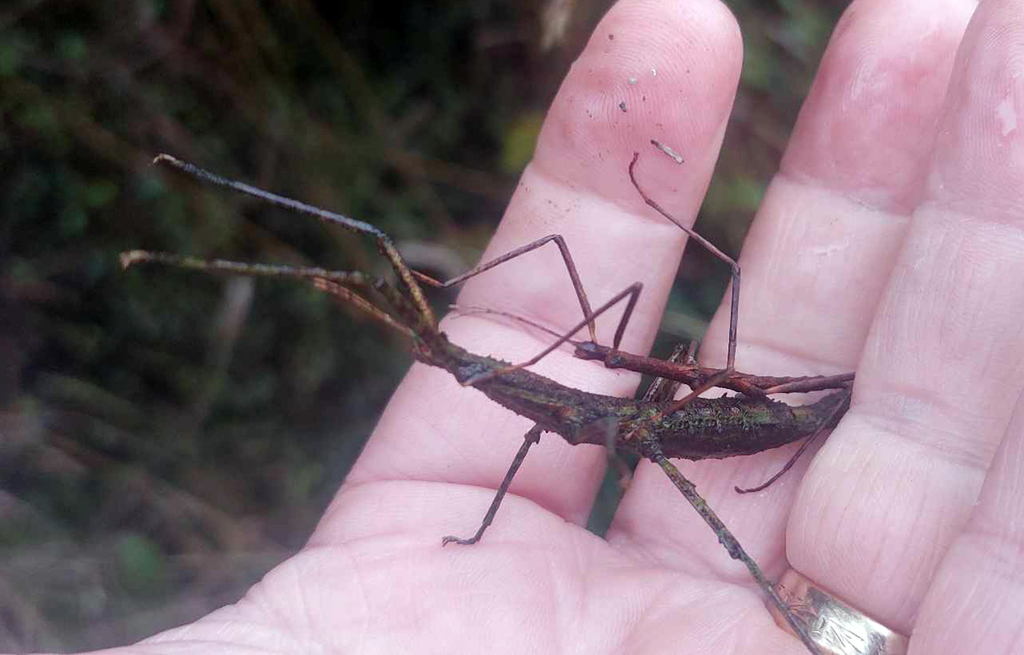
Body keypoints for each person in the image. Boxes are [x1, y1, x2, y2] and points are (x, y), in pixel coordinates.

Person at [67, 0, 1024, 653]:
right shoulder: (538, 402)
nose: (450, 362)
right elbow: (520, 405)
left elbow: (536, 401)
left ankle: (776, 565)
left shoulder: (583, 405)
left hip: (693, 427)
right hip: (666, 426)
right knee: (388, 285)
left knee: (368, 254)